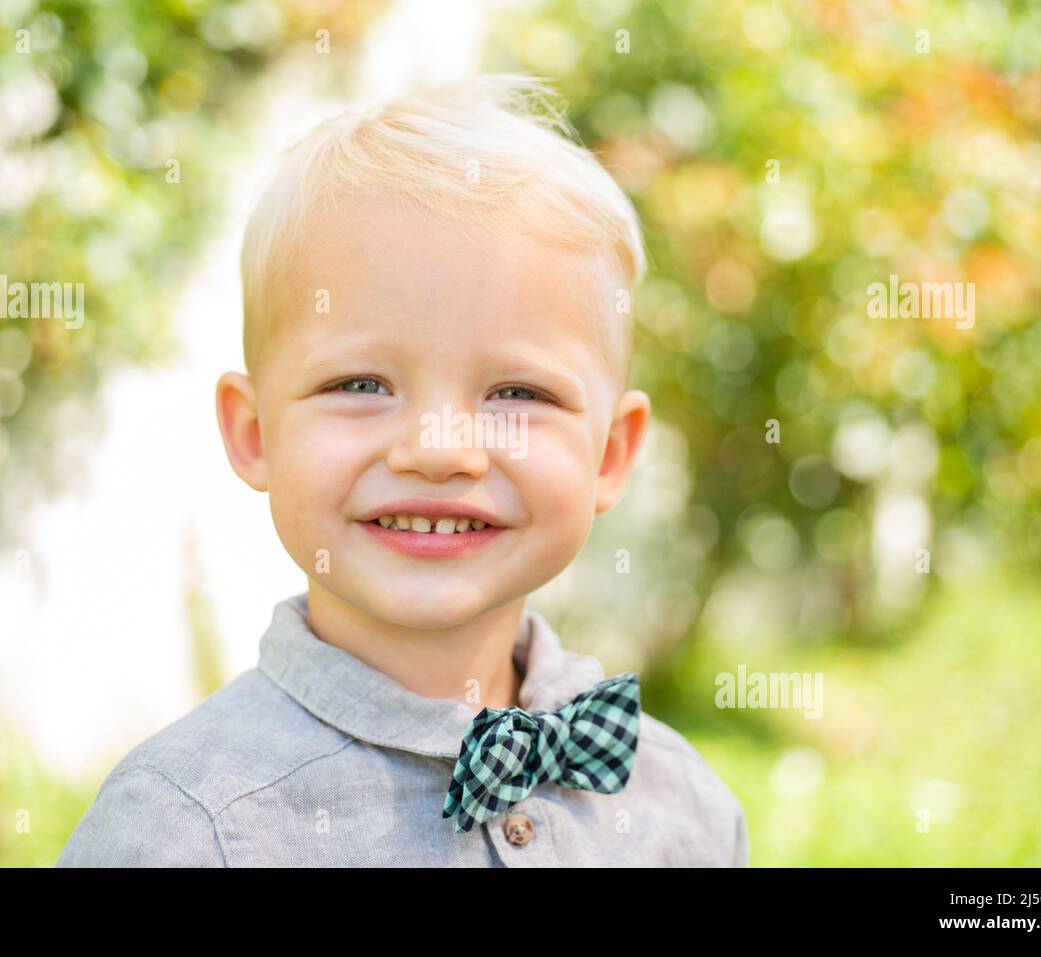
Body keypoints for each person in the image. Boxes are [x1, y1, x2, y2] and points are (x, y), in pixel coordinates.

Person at [57, 74, 746, 866]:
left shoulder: (683, 808)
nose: (439, 447)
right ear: (254, 433)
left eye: (517, 392)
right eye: (361, 385)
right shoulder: (186, 828)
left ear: (611, 454)